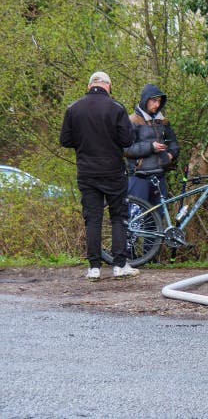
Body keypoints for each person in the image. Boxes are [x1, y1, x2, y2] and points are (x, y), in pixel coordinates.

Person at [59, 71, 138, 280]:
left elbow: (65, 140)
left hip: (86, 171)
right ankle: (119, 265)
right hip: (113, 171)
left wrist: (84, 142)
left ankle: (94, 268)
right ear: (108, 86)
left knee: (93, 218)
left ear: (89, 85)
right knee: (118, 217)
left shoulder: (73, 108)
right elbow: (127, 140)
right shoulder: (116, 108)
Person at [124, 84, 179, 204]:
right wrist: (151, 147)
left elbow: (173, 143)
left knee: (158, 219)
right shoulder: (131, 121)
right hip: (138, 178)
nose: (157, 105)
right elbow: (126, 149)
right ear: (145, 100)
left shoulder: (163, 121)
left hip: (160, 177)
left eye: (159, 101)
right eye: (154, 101)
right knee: (137, 220)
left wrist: (170, 155)